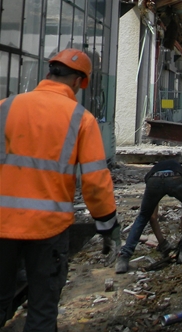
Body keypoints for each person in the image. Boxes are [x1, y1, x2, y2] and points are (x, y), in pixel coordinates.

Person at [0, 49, 119, 331]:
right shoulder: (81, 119)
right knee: (42, 308)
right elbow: (95, 181)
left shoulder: (5, 106)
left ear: (49, 73)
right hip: (48, 230)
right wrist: (107, 225)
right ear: (80, 82)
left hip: (1, 224)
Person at [115, 159, 182, 273]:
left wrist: (162, 243)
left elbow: (152, 217)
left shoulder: (152, 175)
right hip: (176, 177)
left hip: (154, 179)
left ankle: (123, 258)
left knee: (143, 216)